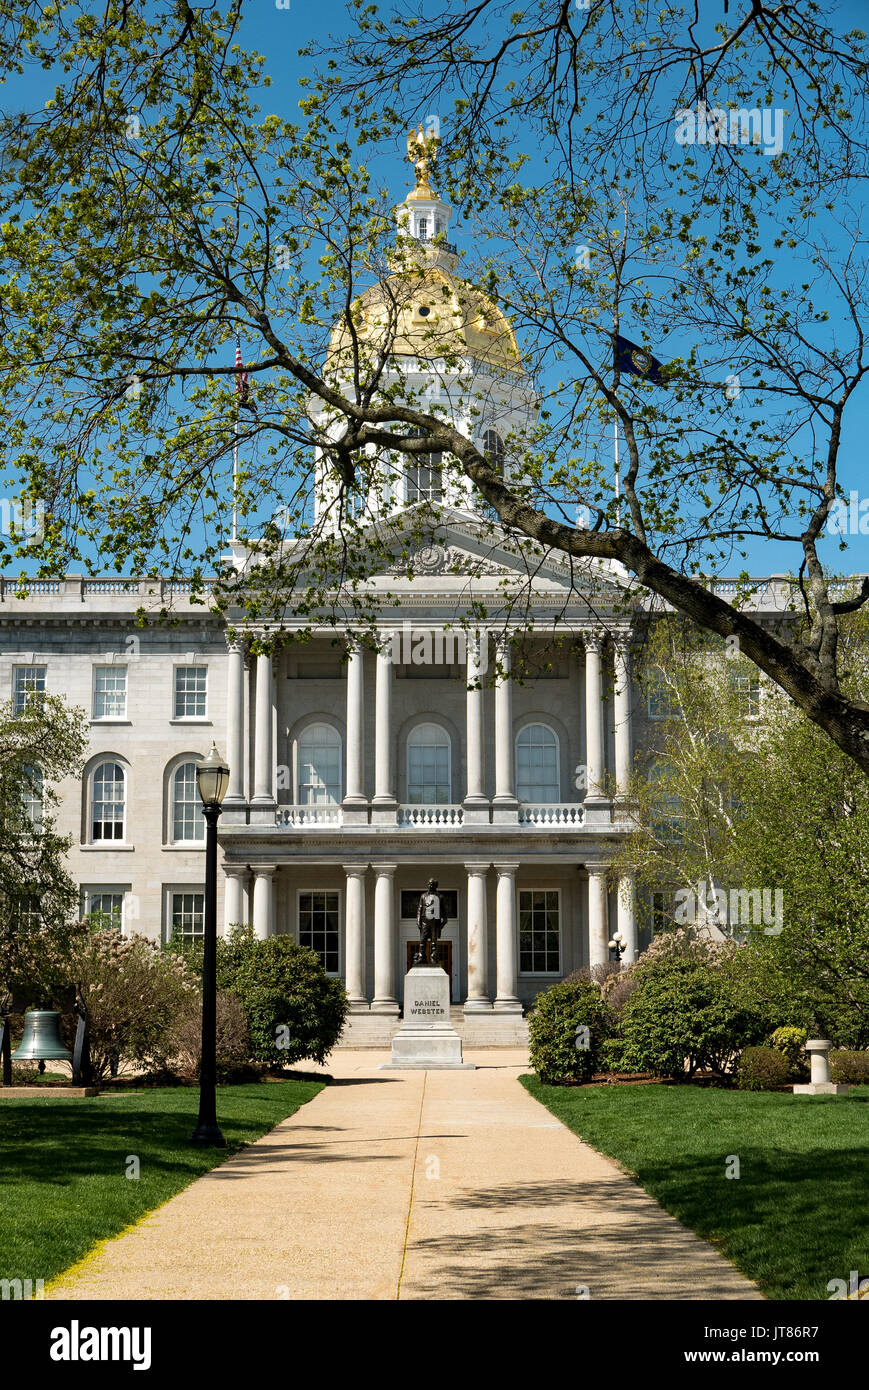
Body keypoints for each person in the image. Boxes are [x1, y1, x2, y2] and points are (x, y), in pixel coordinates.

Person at [414, 878, 449, 966]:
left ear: (436, 886)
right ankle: (422, 957)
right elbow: (420, 909)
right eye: (429, 884)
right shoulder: (423, 896)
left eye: (432, 884)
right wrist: (418, 921)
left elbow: (444, 912)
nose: (430, 886)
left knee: (434, 941)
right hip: (425, 921)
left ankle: (433, 958)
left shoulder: (440, 897)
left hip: (435, 922)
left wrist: (442, 923)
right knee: (423, 940)